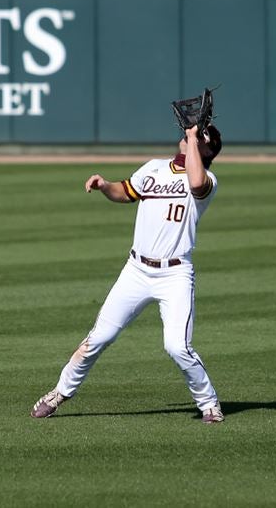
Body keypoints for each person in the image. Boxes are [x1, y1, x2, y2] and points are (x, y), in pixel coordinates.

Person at [31, 123, 225, 423]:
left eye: (198, 139)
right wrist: (104, 185)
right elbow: (126, 191)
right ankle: (60, 392)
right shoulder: (154, 168)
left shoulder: (207, 180)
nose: (189, 137)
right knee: (97, 338)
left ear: (205, 150)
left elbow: (196, 182)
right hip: (136, 270)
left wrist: (192, 137)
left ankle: (208, 403)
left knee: (177, 346)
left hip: (175, 275)